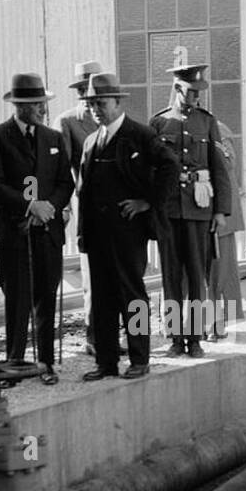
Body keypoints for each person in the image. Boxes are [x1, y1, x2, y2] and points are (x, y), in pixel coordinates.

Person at [76, 72, 179, 381]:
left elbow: (170, 166)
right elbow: (83, 191)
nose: (96, 109)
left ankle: (140, 359)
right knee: (103, 300)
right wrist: (82, 233)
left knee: (132, 296)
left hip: (128, 234)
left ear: (118, 102)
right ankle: (106, 363)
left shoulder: (141, 135)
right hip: (98, 236)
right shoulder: (92, 141)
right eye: (91, 103)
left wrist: (147, 202)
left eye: (101, 102)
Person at [0, 73, 73, 384]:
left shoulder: (54, 138)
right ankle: (15, 365)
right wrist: (29, 206)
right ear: (18, 106)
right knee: (18, 299)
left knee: (46, 296)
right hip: (14, 233)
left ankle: (45, 364)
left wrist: (48, 209)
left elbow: (65, 183)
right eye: (35, 104)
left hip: (47, 231)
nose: (42, 109)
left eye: (43, 103)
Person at [149, 63, 232, 357]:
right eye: (191, 92)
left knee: (197, 276)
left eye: (199, 92)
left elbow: (219, 168)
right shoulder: (158, 124)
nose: (197, 97)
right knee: (171, 277)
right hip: (169, 211)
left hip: (199, 210)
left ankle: (194, 338)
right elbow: (150, 171)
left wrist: (221, 211)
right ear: (177, 88)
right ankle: (174, 338)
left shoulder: (207, 122)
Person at [56, 60, 106, 357]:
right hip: (86, 210)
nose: (89, 100)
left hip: (115, 213)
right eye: (83, 92)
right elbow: (60, 171)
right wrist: (63, 208)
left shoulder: (112, 119)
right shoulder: (67, 122)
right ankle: (94, 338)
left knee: (117, 278)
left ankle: (115, 336)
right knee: (92, 279)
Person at [208, 117, 245, 339]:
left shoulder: (218, 129)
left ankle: (221, 324)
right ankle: (187, 326)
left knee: (221, 275)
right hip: (190, 216)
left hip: (220, 215)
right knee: (194, 277)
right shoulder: (167, 124)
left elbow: (228, 164)